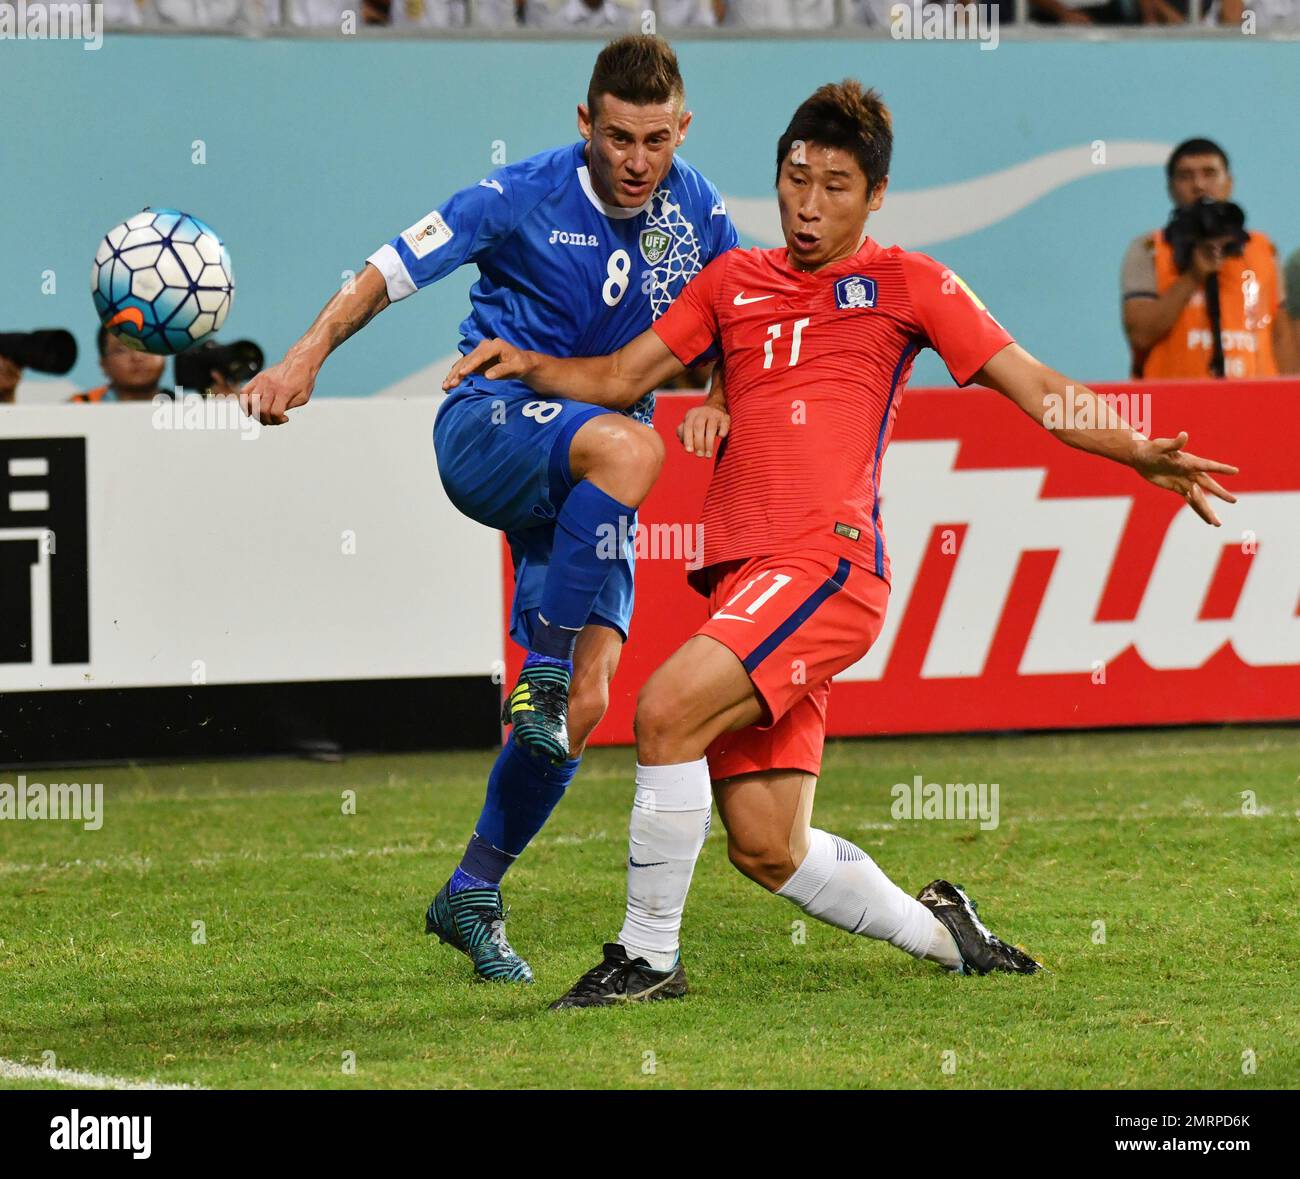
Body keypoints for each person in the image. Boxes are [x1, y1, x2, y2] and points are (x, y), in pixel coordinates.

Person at [445, 80, 1239, 1005]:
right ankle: (948, 938)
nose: (808, 203)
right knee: (766, 843)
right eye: (794, 179)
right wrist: (529, 363)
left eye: (834, 185)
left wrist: (1137, 448)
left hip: (827, 566)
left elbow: (1034, 385)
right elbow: (620, 373)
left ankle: (646, 957)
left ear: (875, 197)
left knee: (661, 711)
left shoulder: (910, 284)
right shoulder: (731, 283)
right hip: (750, 583)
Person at [239, 35, 737, 984]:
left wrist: (722, 392)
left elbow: (732, 326)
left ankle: (471, 892)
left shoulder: (698, 210)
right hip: (492, 425)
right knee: (637, 444)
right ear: (585, 123)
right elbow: (392, 266)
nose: (637, 161)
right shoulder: (520, 196)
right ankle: (537, 674)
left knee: (591, 704)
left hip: (593, 478)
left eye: (656, 141)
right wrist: (305, 355)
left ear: (682, 130)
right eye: (619, 137)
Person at [1121, 138, 1293, 379]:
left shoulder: (1263, 249)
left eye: (1210, 173)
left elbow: (1280, 336)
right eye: (1186, 176)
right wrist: (1192, 276)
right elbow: (1140, 334)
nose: (1199, 185)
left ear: (1229, 182)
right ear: (1170, 188)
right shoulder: (1150, 248)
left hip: (1254, 402)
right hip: (1174, 402)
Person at [71, 328, 173, 403]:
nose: (137, 357)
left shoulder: (183, 410)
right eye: (122, 350)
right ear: (103, 365)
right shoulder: (79, 407)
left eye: (147, 346)